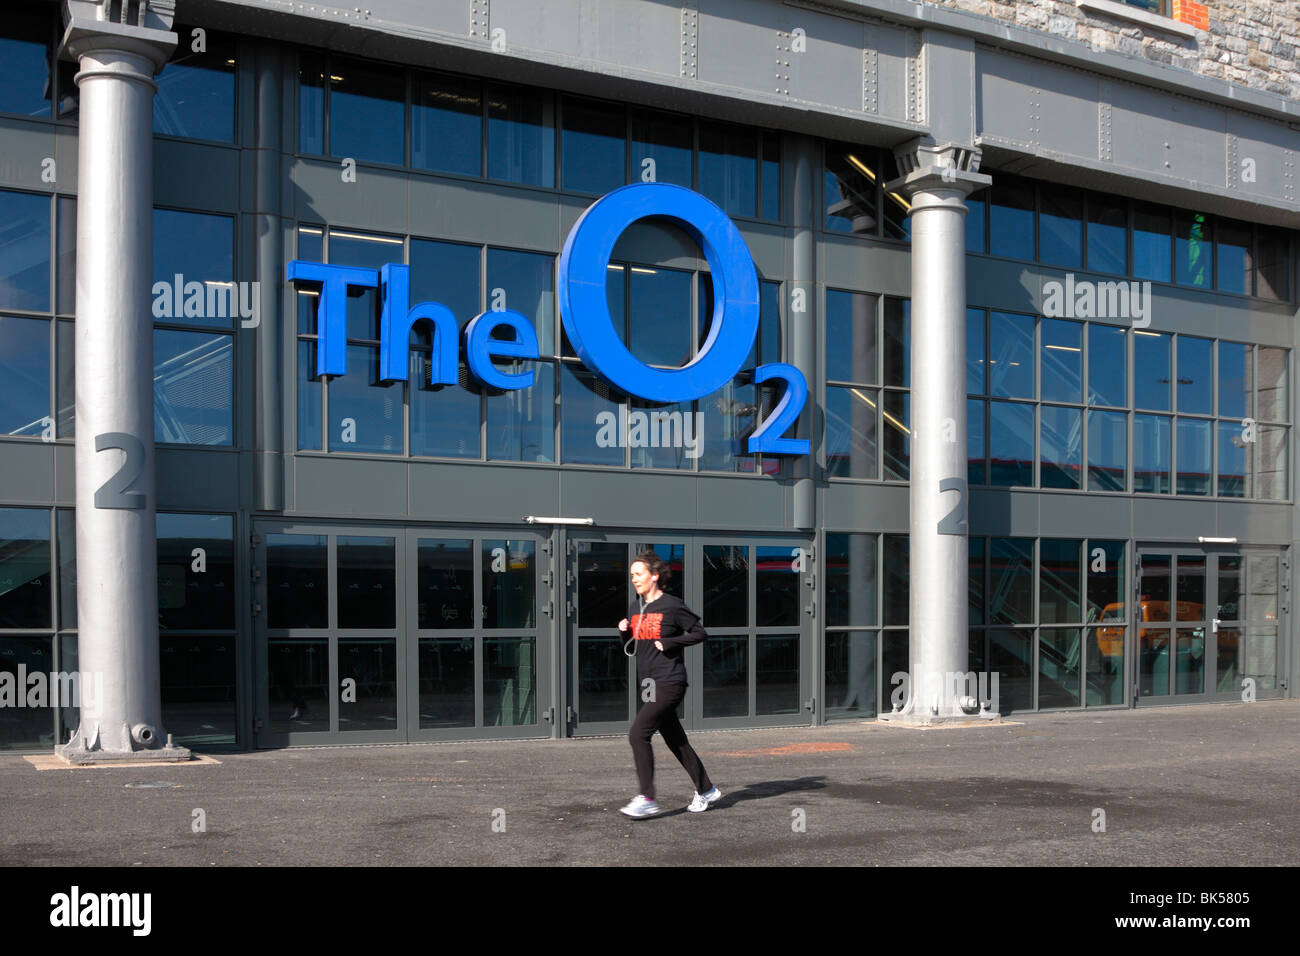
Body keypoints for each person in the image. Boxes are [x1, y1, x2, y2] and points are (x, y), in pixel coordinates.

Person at [617, 550, 722, 818]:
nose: (634, 579)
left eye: (638, 574)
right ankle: (706, 789)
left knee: (638, 734)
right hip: (649, 683)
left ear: (654, 576)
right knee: (675, 739)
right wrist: (623, 632)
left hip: (670, 681)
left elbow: (700, 633)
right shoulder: (635, 607)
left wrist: (672, 642)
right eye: (632, 576)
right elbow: (633, 647)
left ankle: (647, 797)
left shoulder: (672, 606)